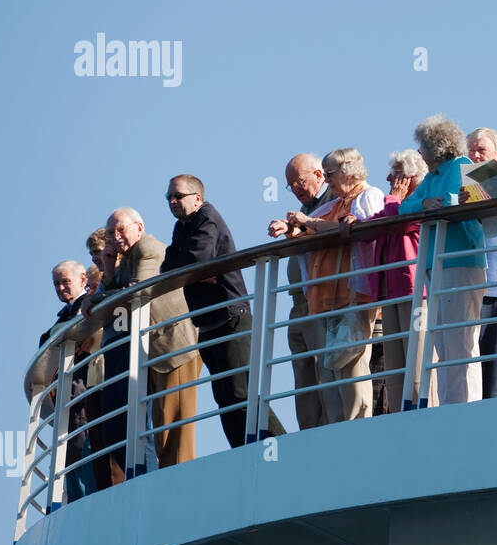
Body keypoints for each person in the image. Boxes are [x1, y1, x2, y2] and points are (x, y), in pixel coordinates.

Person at [161, 175, 286, 446]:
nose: (172, 201)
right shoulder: (182, 226)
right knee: (224, 397)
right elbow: (168, 267)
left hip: (231, 318)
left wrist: (192, 269)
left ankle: (281, 447)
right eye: (169, 197)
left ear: (197, 197)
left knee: (241, 393)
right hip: (208, 323)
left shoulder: (207, 217)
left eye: (177, 196)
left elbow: (198, 259)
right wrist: (191, 270)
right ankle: (242, 453)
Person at [85, 208, 202, 469]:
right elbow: (121, 301)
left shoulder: (147, 248)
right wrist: (108, 268)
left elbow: (139, 291)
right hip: (157, 351)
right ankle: (170, 479)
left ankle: (178, 484)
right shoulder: (126, 259)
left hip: (174, 346)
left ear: (139, 227)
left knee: (175, 428)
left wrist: (96, 299)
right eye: (111, 233)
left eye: (121, 230)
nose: (116, 237)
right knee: (162, 427)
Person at [282, 149, 386, 423]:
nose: (327, 182)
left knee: (352, 366)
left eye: (329, 175)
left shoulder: (369, 195)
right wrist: (289, 227)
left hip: (355, 295)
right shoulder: (336, 203)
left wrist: (309, 222)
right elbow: (310, 227)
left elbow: (350, 229)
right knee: (332, 372)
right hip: (328, 297)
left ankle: (357, 427)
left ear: (348, 171)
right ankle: (339, 431)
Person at [398, 116, 487, 404]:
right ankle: (451, 404)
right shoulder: (431, 177)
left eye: (423, 147)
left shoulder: (462, 166)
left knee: (460, 340)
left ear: (437, 146)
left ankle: (465, 405)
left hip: (460, 260)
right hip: (435, 263)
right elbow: (404, 208)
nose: (420, 153)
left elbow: (466, 199)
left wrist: (441, 202)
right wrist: (424, 203)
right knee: (443, 341)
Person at [368, 150, 437, 412]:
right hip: (390, 293)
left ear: (410, 177)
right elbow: (371, 228)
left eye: (395, 174)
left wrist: (393, 198)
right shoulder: (392, 206)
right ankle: (400, 415)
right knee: (395, 365)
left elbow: (401, 223)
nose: (388, 178)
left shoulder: (419, 202)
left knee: (417, 359)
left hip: (414, 290)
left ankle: (424, 412)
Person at [266, 154, 331, 429]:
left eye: (300, 181)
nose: (296, 189)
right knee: (303, 374)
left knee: (324, 370)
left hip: (322, 298)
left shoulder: (334, 200)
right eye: (290, 185)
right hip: (298, 302)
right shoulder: (308, 210)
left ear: (319, 175)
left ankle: (327, 431)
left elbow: (326, 226)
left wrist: (294, 225)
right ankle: (308, 432)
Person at [29, 261, 99, 501]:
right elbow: (47, 342)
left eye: (65, 281)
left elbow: (77, 333)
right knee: (69, 453)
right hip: (67, 392)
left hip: (82, 388)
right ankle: (79, 501)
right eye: (56, 283)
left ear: (82, 279)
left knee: (82, 449)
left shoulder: (89, 307)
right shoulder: (66, 314)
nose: (60, 287)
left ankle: (88, 502)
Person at [467, 127, 497, 397]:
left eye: (481, 150)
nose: (474, 155)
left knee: (494, 373)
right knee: (465, 370)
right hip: (465, 288)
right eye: (470, 150)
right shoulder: (460, 188)